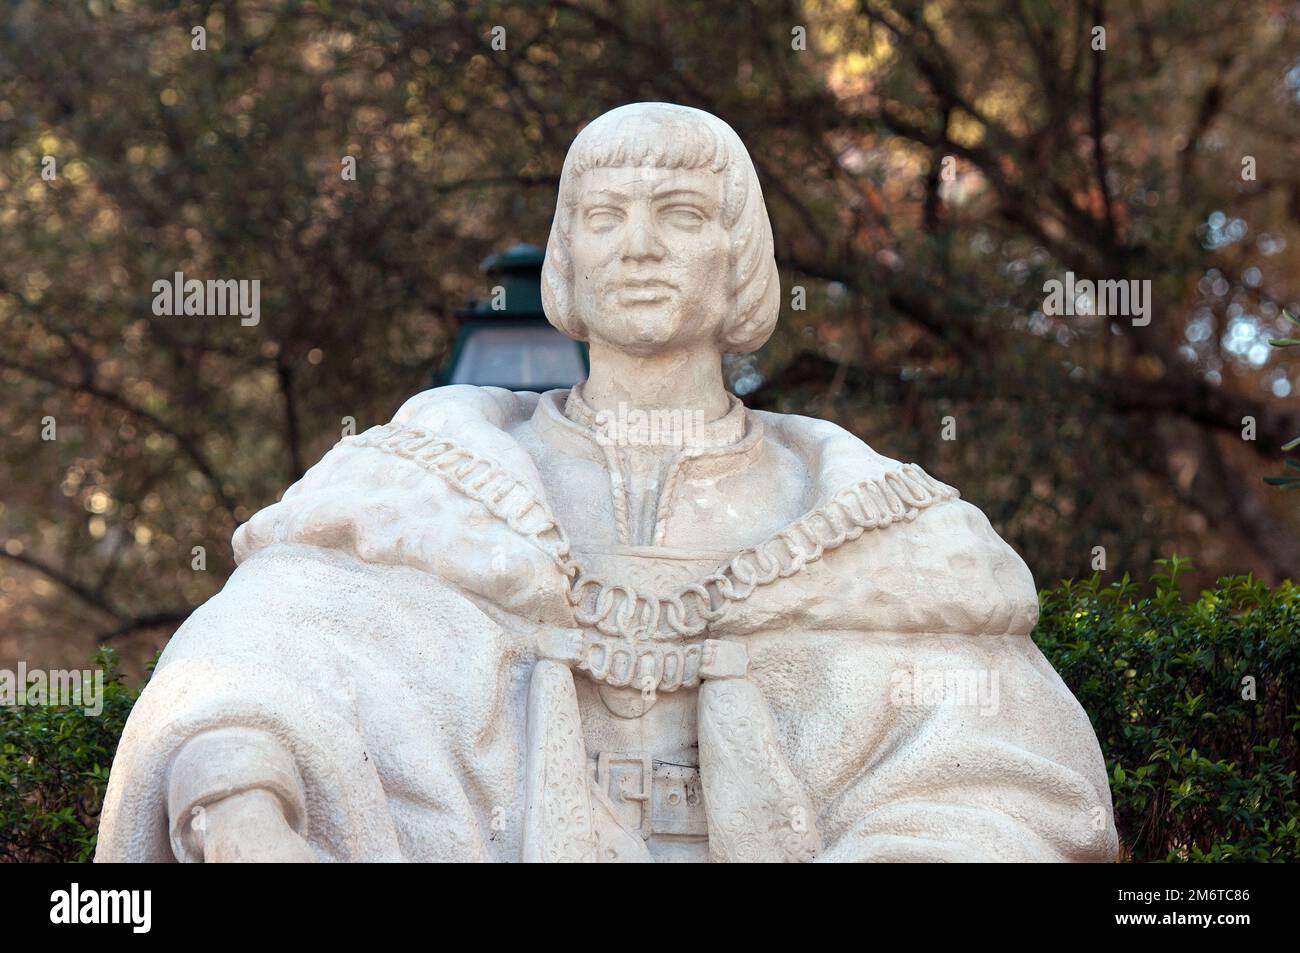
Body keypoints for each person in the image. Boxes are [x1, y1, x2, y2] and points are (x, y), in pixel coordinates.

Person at [97, 103, 1117, 863]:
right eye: (604, 215)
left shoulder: (871, 526)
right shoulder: (424, 484)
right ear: (568, 254)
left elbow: (1011, 784)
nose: (637, 245)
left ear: (740, 254)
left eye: (678, 212)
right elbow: (263, 656)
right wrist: (234, 798)